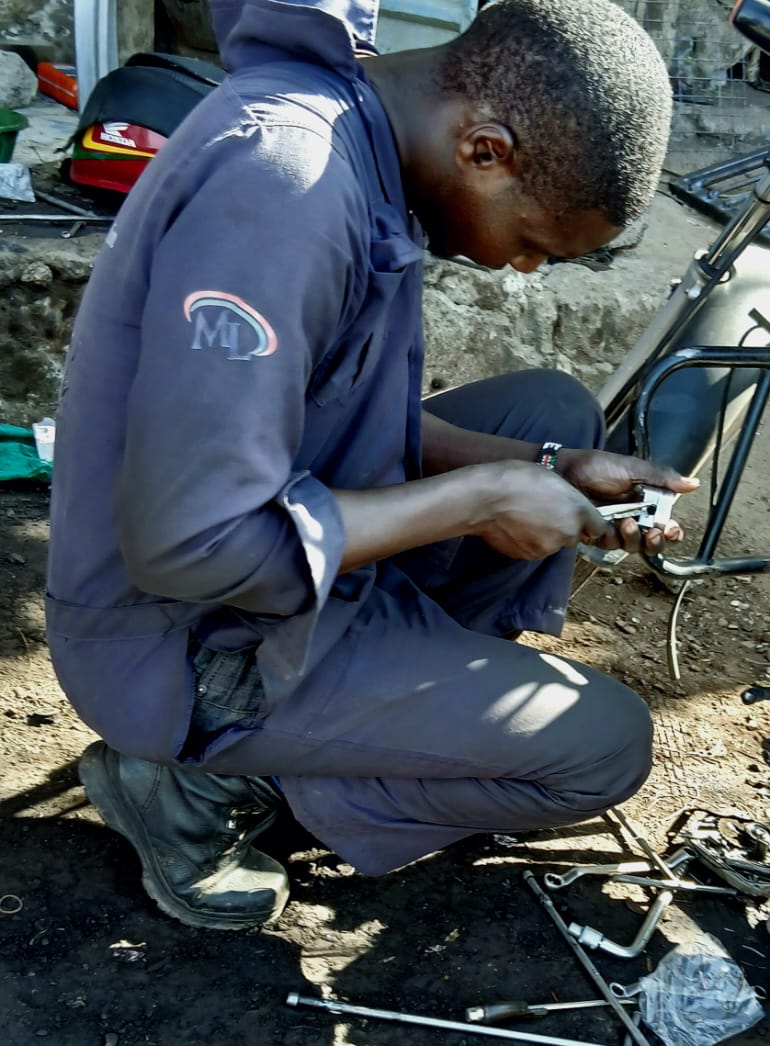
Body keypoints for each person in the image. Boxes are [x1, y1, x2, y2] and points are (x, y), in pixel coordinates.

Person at [45, 0, 692, 931]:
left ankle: (377, 701)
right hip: (180, 641)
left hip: (280, 572)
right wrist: (481, 497)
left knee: (551, 409)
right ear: (486, 150)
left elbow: (335, 405)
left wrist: (549, 463)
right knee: (603, 749)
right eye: (536, 243)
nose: (525, 272)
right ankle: (213, 782)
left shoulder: (355, 134)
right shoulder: (286, 194)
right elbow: (192, 546)